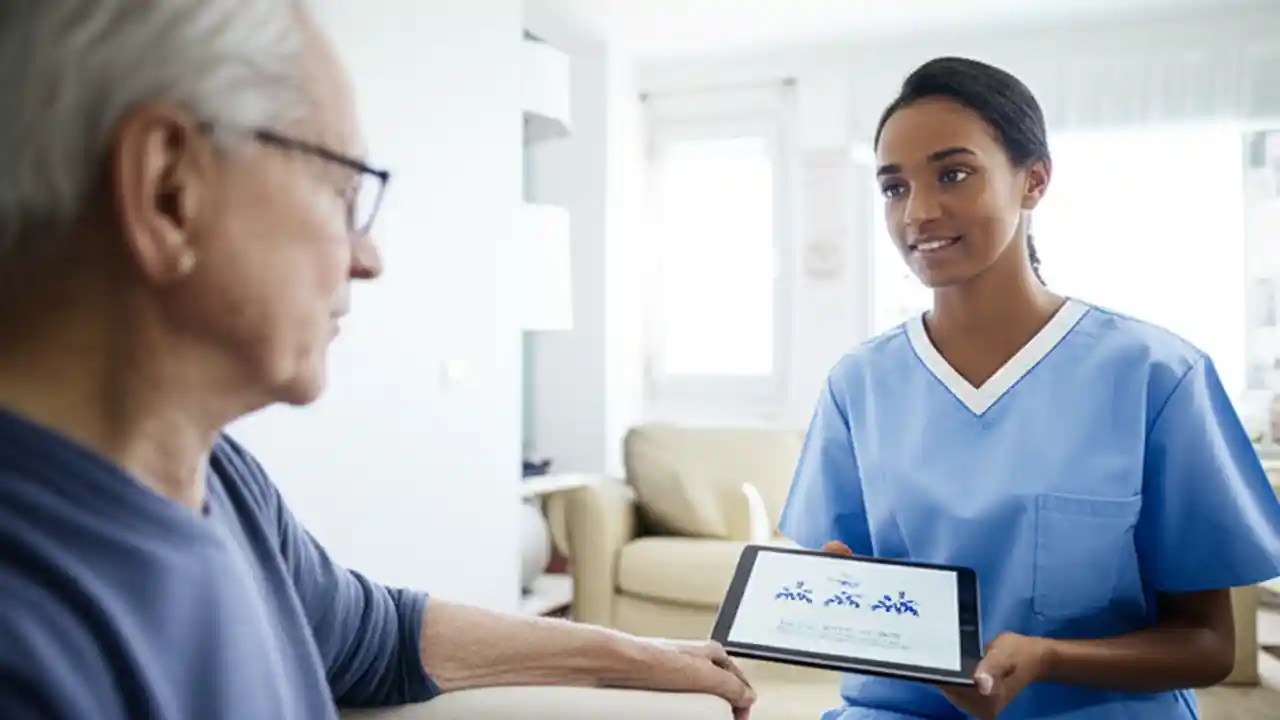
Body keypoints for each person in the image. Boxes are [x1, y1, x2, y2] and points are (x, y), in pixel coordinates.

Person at [0, 2, 755, 719]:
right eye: (343, 192)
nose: (369, 258)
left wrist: (636, 655)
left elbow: (383, 635)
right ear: (169, 191)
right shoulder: (27, 633)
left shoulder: (222, 479)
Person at [780, 56, 1280, 720]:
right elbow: (845, 601)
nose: (918, 212)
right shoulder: (859, 385)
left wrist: (1051, 657)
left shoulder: (1157, 375)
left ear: (1033, 181)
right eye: (894, 188)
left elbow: (1212, 645)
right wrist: (839, 601)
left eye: (953, 174)